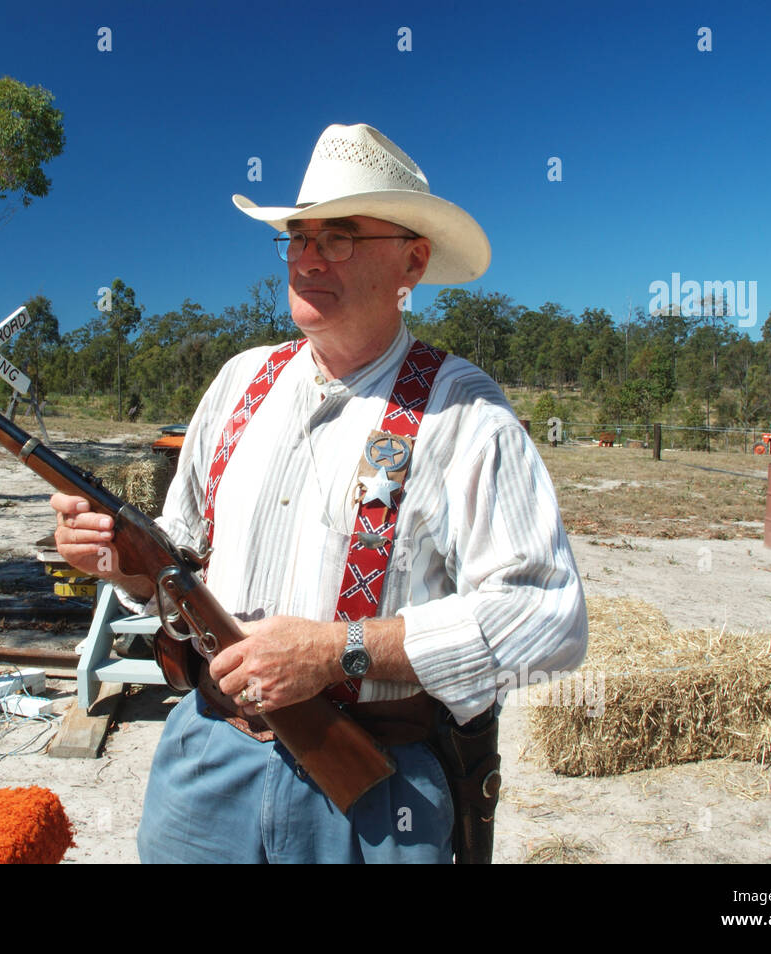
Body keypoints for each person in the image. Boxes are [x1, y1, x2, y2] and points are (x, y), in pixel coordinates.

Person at [51, 123, 587, 863]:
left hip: (373, 792)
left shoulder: (466, 411)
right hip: (205, 760)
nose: (307, 257)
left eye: (338, 236)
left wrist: (341, 652)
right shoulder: (240, 382)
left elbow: (548, 617)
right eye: (298, 236)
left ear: (412, 260)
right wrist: (121, 563)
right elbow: (179, 560)